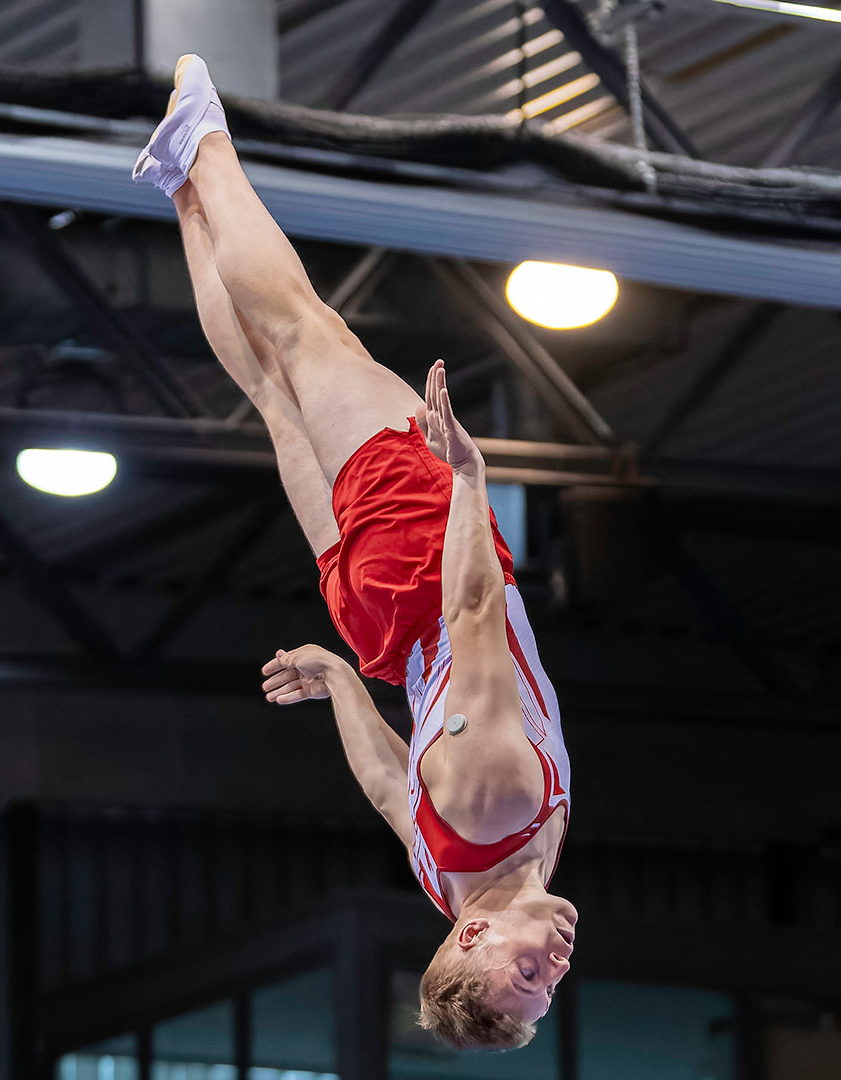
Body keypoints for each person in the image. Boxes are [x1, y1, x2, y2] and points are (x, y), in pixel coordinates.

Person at [133, 55, 576, 1051]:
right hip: (378, 629)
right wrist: (338, 677)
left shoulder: (499, 799)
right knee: (274, 398)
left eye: (523, 973)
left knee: (305, 333)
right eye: (546, 989)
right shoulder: (446, 876)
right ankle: (183, 191)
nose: (553, 967)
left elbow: (474, 615)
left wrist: (466, 479)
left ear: (470, 936)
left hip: (421, 561)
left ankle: (205, 140)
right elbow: (384, 787)